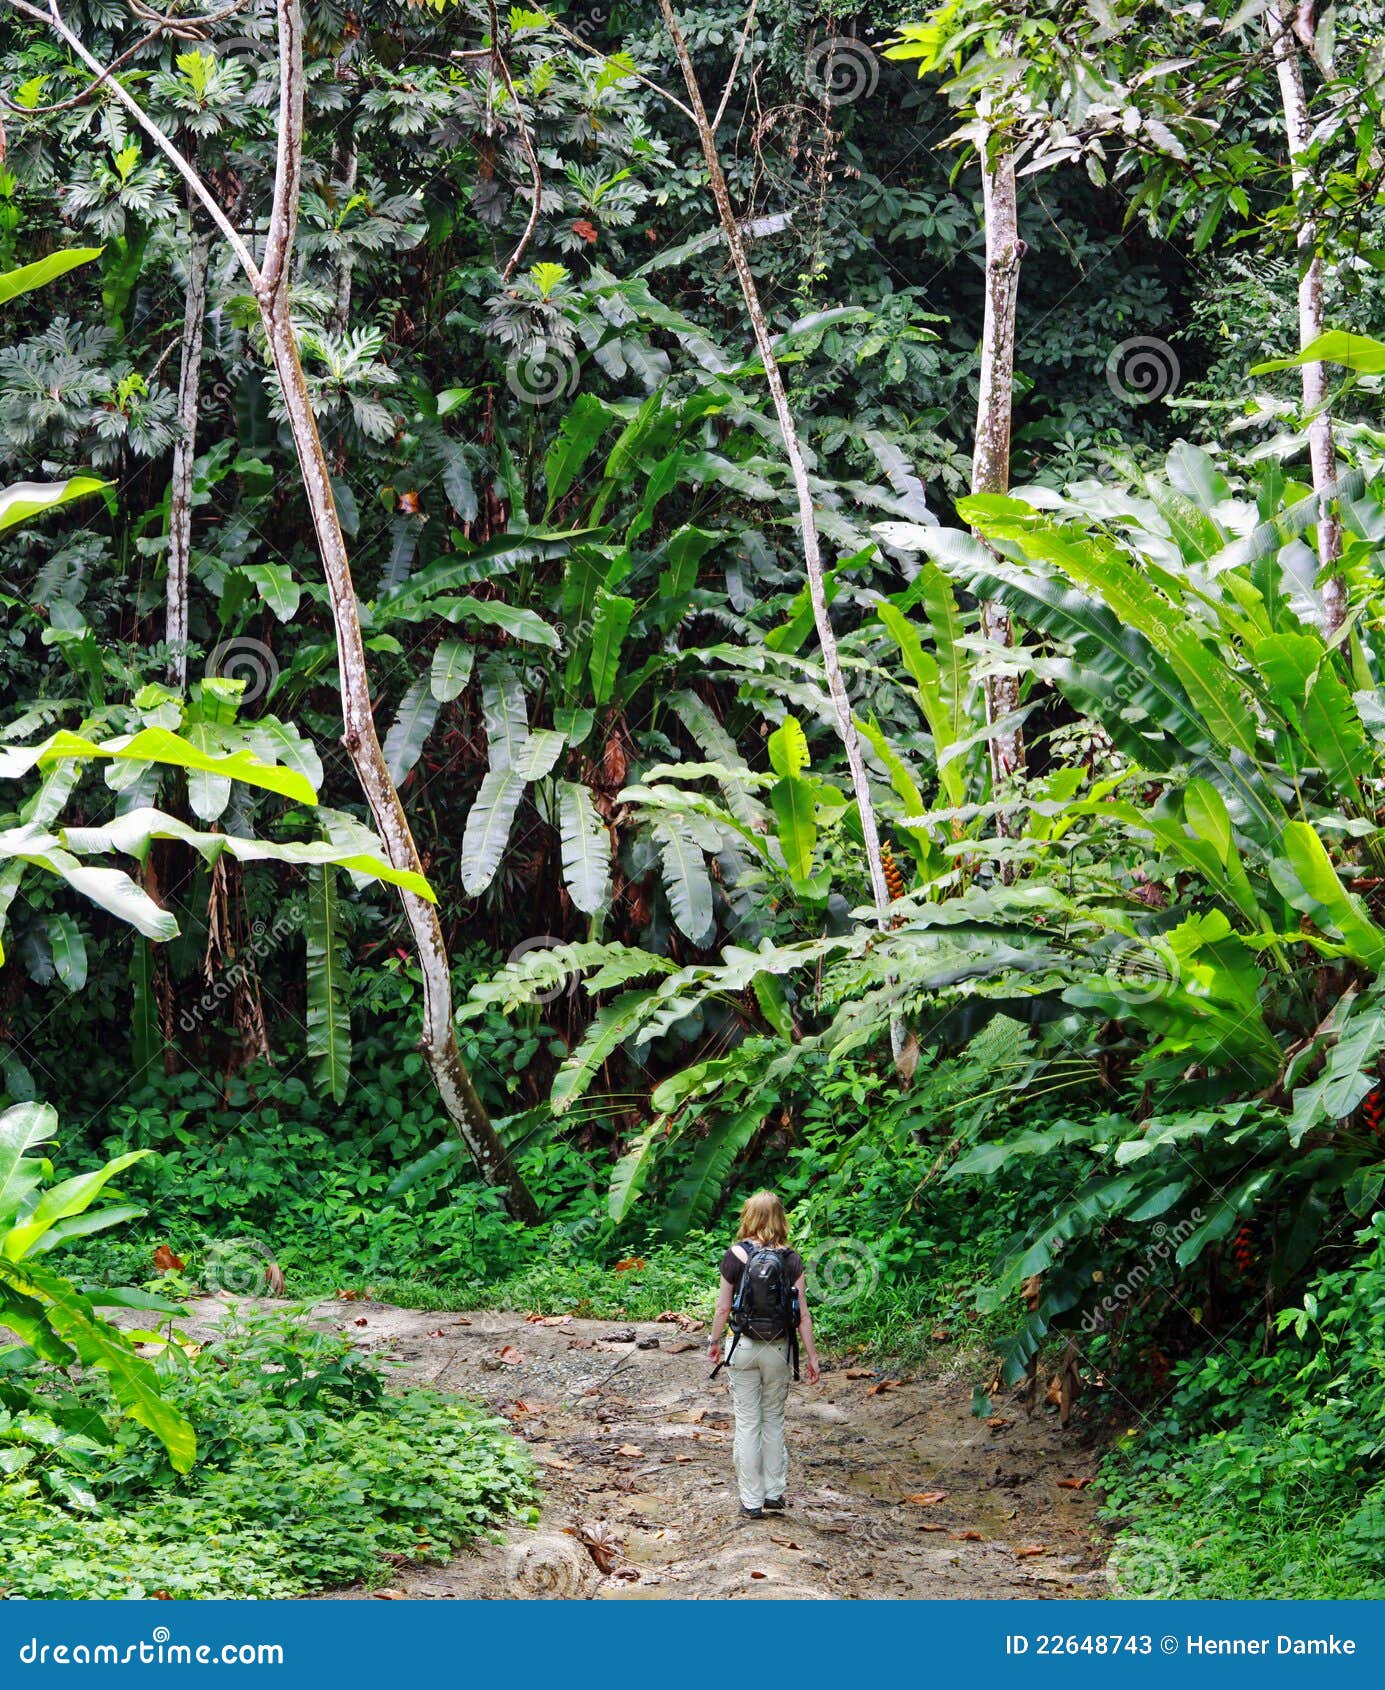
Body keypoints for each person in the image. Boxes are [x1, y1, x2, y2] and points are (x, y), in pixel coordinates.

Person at [707, 1190, 821, 1520]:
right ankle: (774, 1493)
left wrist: (714, 1341)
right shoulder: (791, 1259)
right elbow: (802, 1313)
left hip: (741, 1346)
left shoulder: (734, 1256)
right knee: (772, 1419)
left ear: (748, 1217)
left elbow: (723, 1306)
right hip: (778, 1348)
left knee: (747, 1422)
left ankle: (751, 1500)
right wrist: (812, 1357)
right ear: (780, 1219)